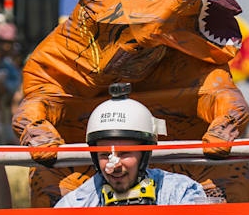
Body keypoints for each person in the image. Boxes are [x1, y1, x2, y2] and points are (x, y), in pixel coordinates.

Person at [56, 85, 207, 207]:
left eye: (124, 154)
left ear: (144, 155)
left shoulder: (181, 192)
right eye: (104, 154)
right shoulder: (76, 203)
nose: (114, 165)